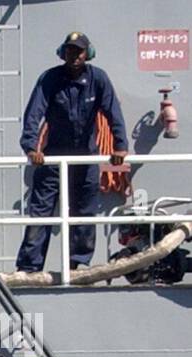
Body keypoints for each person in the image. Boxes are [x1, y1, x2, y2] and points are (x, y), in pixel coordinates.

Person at [15, 32, 128, 273]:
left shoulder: (98, 79)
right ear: (62, 53)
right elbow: (34, 114)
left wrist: (120, 146)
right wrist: (31, 147)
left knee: (84, 211)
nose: (74, 56)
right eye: (70, 51)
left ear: (88, 54)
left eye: (79, 51)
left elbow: (113, 112)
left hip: (85, 156)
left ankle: (78, 264)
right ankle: (29, 267)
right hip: (53, 156)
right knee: (41, 212)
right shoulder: (50, 79)